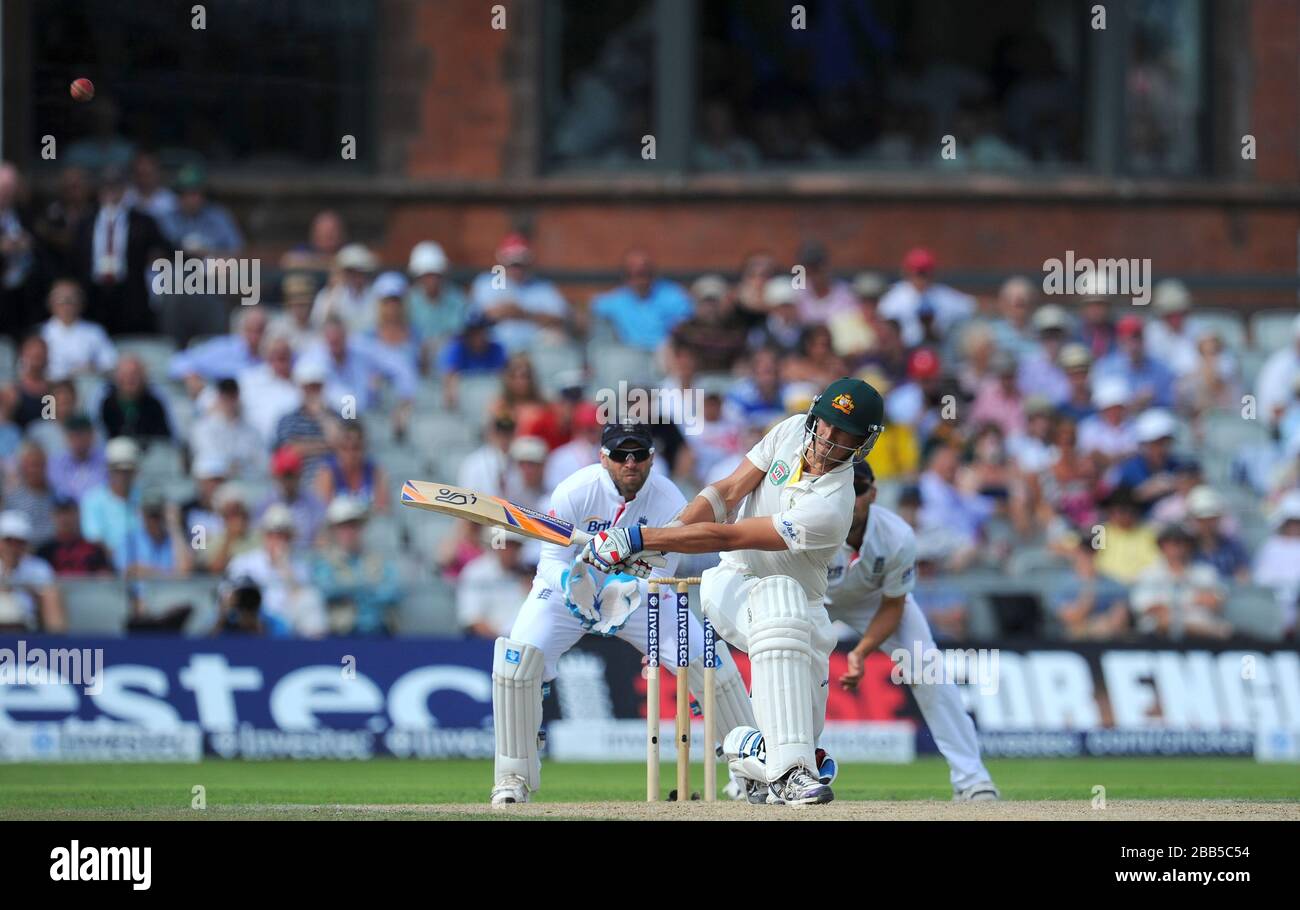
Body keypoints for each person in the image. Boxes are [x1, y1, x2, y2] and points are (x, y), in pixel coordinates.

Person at [577, 378, 886, 806]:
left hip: (806, 611)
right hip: (734, 583)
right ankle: (790, 772)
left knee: (792, 726)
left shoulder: (831, 507)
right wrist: (660, 544)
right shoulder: (794, 429)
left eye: (844, 432)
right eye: (827, 423)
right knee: (780, 599)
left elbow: (731, 533)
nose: (828, 438)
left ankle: (747, 750)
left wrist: (642, 538)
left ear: (864, 443)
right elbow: (726, 493)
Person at [488, 421, 758, 805]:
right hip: (564, 594)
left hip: (637, 596)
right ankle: (512, 778)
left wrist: (624, 591)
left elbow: (666, 568)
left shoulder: (668, 499)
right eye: (619, 454)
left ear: (651, 458)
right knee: (517, 661)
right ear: (603, 458)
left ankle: (754, 771)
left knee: (710, 662)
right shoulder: (574, 491)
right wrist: (571, 582)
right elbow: (548, 561)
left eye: (638, 455)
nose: (629, 463)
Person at [826, 461, 999, 799]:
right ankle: (763, 772)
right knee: (785, 661)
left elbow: (894, 605)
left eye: (858, 489)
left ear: (872, 494)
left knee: (928, 667)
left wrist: (861, 652)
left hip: (874, 599)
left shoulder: (897, 536)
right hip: (814, 597)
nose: (850, 497)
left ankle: (971, 779)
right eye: (841, 488)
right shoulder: (812, 527)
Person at [226, 504, 326, 638]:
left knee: (310, 599)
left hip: (288, 622)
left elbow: (303, 601)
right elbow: (230, 596)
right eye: (271, 534)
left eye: (282, 535)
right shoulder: (244, 562)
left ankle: (316, 654)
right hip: (253, 619)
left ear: (290, 538)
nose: (276, 540)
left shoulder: (300, 566)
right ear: (264, 536)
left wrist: (284, 567)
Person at [311, 496, 402, 636]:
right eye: (342, 526)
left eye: (353, 525)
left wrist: (353, 591)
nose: (348, 532)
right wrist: (366, 588)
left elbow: (393, 592)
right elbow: (325, 591)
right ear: (333, 530)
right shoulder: (324, 562)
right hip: (342, 636)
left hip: (379, 634)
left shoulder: (377, 560)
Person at [468, 233, 569, 354]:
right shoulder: (486, 283)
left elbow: (561, 318)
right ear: (502, 262)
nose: (516, 269)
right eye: (512, 264)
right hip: (495, 350)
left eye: (520, 264)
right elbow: (477, 316)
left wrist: (522, 313)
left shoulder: (543, 288)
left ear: (529, 262)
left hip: (535, 350)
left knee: (557, 337)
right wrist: (501, 312)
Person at [1131, 525, 1230, 639]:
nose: (1178, 548)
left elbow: (1215, 602)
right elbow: (1147, 608)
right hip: (1157, 638)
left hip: (1203, 637)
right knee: (1164, 623)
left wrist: (1171, 606)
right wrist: (1194, 600)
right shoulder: (1148, 574)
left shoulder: (1205, 572)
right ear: (1162, 546)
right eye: (1172, 543)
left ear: (1190, 546)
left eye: (1183, 543)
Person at [589, 249, 692, 351]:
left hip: (666, 354)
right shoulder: (613, 300)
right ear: (625, 275)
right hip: (629, 356)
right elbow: (590, 315)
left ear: (653, 272)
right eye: (633, 273)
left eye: (644, 272)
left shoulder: (674, 296)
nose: (640, 279)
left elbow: (685, 328)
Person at [1049, 533, 1130, 639]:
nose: (1088, 556)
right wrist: (1089, 582)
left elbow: (1120, 616)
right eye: (1083, 551)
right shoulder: (1062, 584)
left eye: (1091, 552)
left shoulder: (1113, 584)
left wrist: (1106, 624)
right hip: (1073, 640)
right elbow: (1070, 617)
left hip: (1107, 636)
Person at [79, 436, 142, 564]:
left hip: (144, 568)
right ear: (108, 470)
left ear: (135, 471)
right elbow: (94, 540)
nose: (122, 476)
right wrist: (122, 562)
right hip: (107, 569)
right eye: (117, 470)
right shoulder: (92, 499)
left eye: (127, 470)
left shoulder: (144, 498)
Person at [0, 510, 65, 632]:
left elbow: (46, 597)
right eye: (9, 541)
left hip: (27, 625)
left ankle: (58, 646)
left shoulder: (39, 567)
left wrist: (32, 592)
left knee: (51, 594)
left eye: (19, 541)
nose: (13, 547)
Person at [39, 279, 117, 380]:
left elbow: (110, 363)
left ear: (81, 303)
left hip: (86, 384)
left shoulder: (95, 332)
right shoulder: (40, 333)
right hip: (51, 388)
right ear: (50, 303)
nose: (66, 305)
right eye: (61, 300)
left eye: (71, 300)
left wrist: (93, 368)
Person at [98, 354, 172, 443]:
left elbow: (162, 438)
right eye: (125, 374)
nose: (130, 379)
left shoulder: (154, 405)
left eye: (134, 374)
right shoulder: (105, 404)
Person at [36, 498, 113, 577]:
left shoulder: (93, 549)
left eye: (69, 513)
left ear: (78, 515)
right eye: (60, 513)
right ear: (52, 516)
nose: (64, 518)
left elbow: (105, 578)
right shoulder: (43, 551)